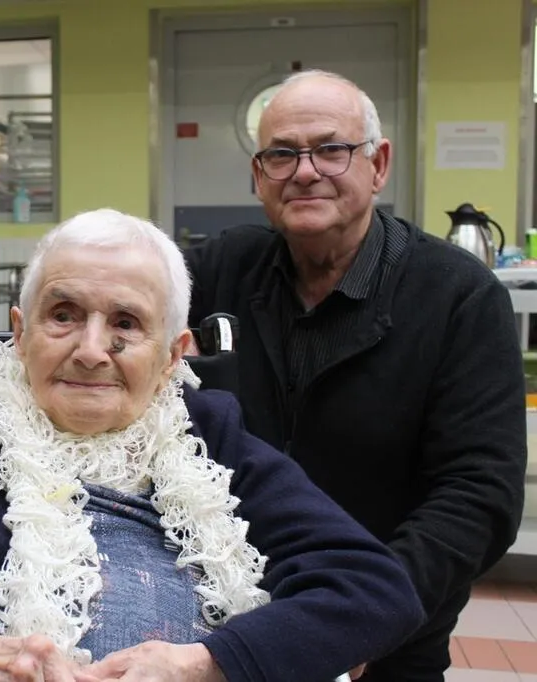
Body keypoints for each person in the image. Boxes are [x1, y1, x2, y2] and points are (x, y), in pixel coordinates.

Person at [0, 208, 425, 682]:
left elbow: (373, 586)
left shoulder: (208, 435)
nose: (91, 350)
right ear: (20, 330)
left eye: (126, 324)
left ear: (173, 356)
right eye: (63, 315)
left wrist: (209, 664)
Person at [185, 69, 527, 681]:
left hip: (386, 636)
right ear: (259, 176)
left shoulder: (458, 297)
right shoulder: (224, 269)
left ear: (378, 164)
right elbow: (129, 292)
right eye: (281, 154)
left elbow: (479, 494)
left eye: (331, 149)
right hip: (226, 622)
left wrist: (361, 614)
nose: (305, 171)